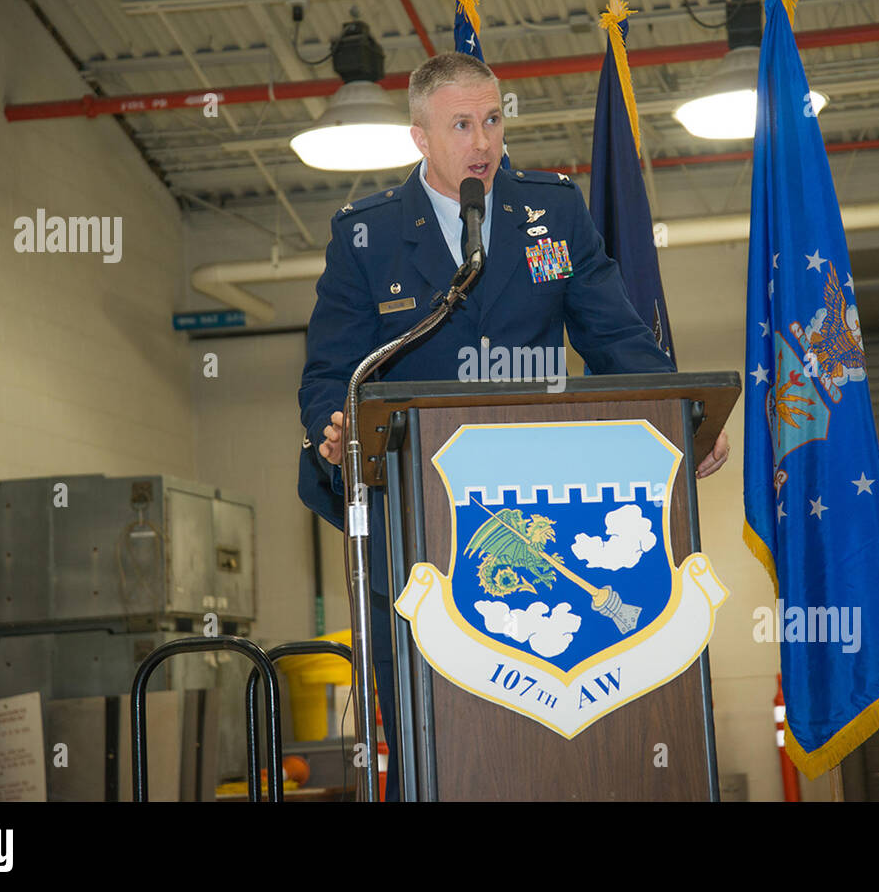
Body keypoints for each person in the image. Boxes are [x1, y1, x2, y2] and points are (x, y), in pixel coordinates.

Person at [297, 52, 729, 800]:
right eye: (461, 124)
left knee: (550, 734)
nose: (483, 141)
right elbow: (332, 375)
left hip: (542, 514)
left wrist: (684, 412)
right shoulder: (364, 237)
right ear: (420, 139)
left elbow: (616, 337)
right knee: (435, 733)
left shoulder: (552, 212)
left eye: (493, 120)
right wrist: (334, 427)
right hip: (415, 525)